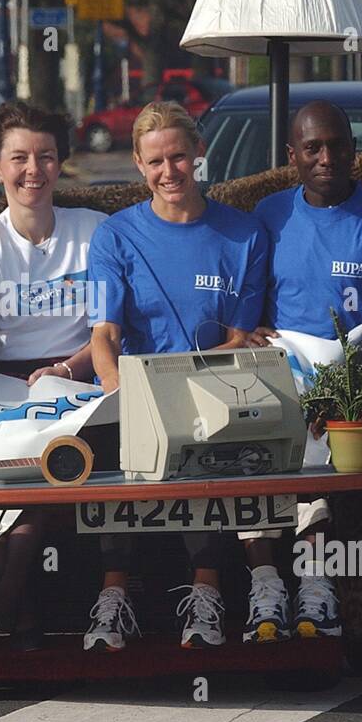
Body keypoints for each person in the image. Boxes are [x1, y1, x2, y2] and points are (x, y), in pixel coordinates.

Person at [84, 101, 269, 651]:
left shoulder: (244, 235)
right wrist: (118, 391)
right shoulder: (113, 236)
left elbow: (240, 337)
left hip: (213, 389)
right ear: (139, 166)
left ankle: (206, 594)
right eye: (156, 161)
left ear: (199, 155)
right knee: (114, 437)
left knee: (204, 436)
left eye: (180, 158)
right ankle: (113, 595)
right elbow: (104, 334)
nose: (170, 172)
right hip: (137, 387)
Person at [242, 99, 362, 642]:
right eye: (313, 147)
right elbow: (245, 307)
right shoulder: (268, 216)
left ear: (353, 149)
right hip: (278, 369)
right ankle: (265, 586)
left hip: (354, 370)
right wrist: (245, 331)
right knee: (243, 434)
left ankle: (317, 586)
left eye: (338, 145)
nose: (327, 157)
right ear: (292, 155)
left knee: (322, 434)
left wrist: (344, 383)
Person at [0, 101, 107, 650]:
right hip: (2, 387)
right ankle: (23, 605)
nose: (32, 170)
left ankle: (10, 600)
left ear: (61, 165)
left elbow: (109, 328)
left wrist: (67, 368)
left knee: (42, 460)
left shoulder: (96, 233)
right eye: (18, 158)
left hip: (77, 383)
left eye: (46, 157)